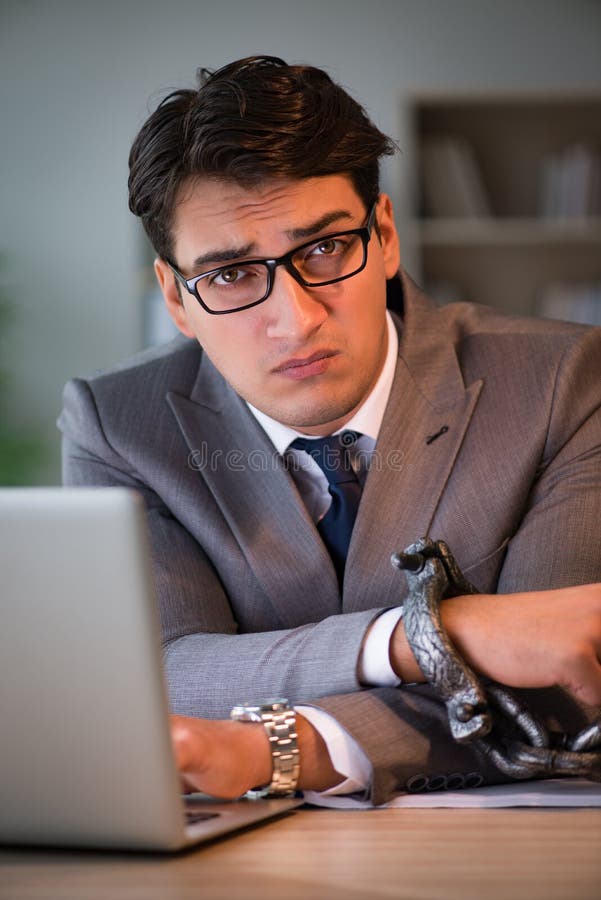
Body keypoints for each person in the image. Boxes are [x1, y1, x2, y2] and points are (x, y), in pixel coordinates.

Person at [58, 56, 601, 805]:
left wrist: (273, 749)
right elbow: (155, 674)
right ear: (175, 299)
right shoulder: (118, 425)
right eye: (229, 276)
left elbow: (559, 688)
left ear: (381, 236)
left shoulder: (564, 380)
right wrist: (432, 636)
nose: (295, 318)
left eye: (322, 249)